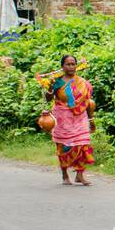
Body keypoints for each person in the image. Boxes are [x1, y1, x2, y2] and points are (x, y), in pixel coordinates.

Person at [43, 55, 96, 186]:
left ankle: (79, 175)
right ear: (62, 66)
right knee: (62, 146)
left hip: (79, 117)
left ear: (76, 66)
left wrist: (91, 119)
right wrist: (49, 88)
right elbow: (48, 99)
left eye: (73, 64)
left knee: (83, 144)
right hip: (62, 118)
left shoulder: (82, 82)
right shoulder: (57, 82)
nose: (71, 67)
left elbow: (87, 101)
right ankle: (65, 174)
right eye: (68, 64)